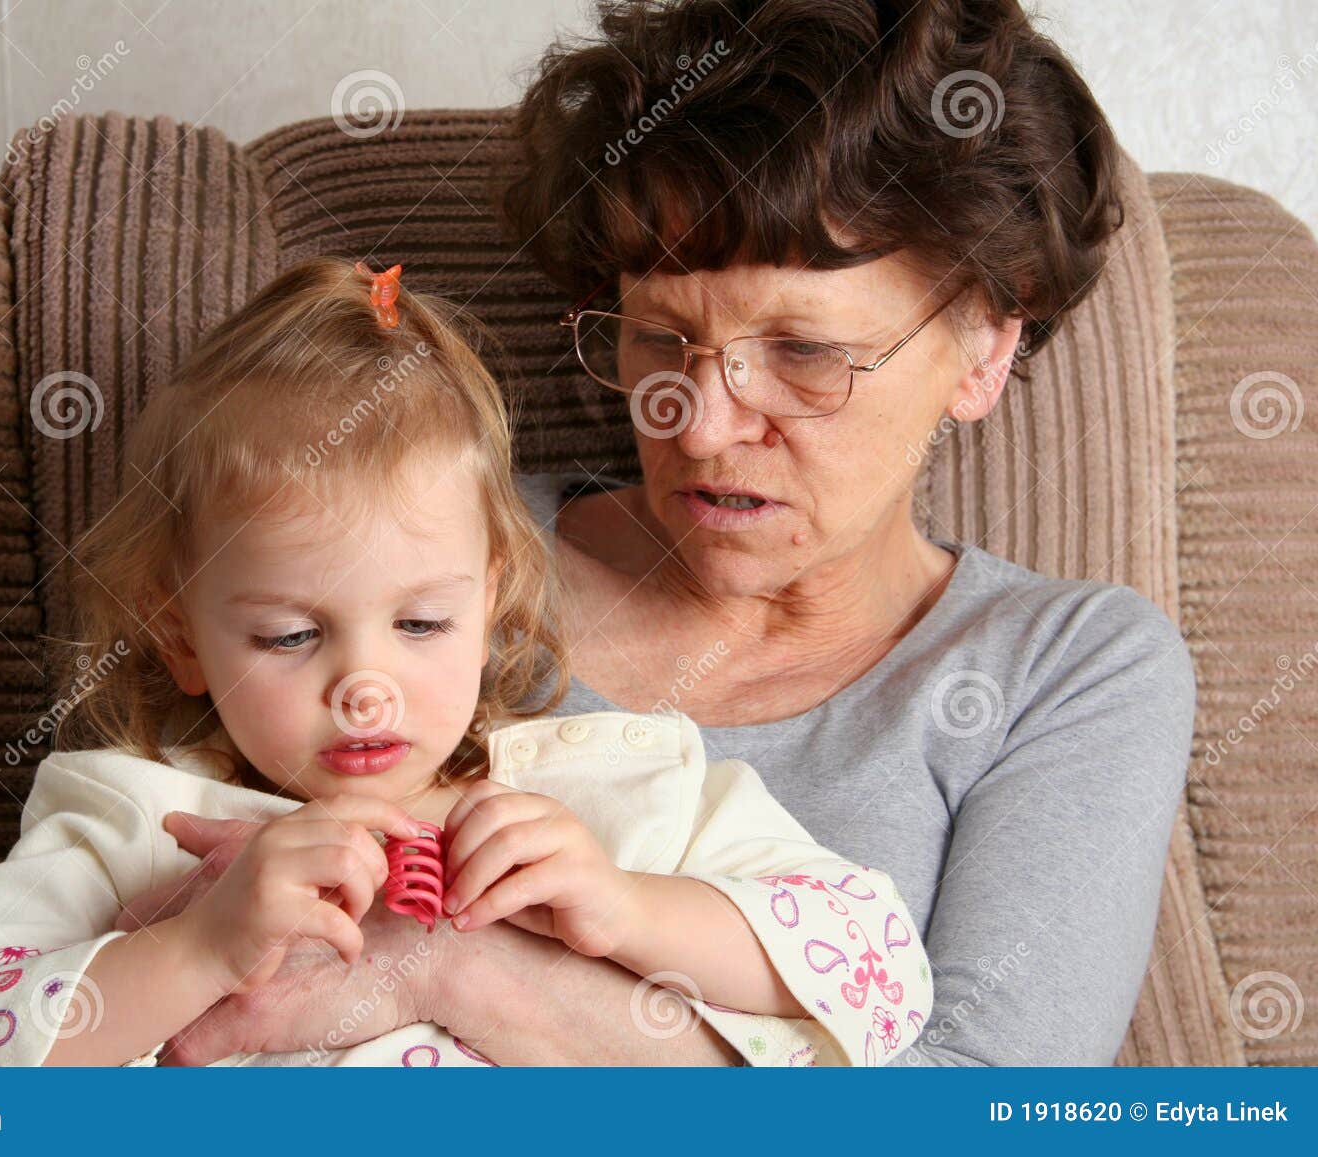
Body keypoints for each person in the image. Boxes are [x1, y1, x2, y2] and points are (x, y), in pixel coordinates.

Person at [122, 0, 1197, 1067]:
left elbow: (983, 1116)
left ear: (983, 348)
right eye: (659, 335)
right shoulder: (407, 561)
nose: (701, 420)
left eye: (805, 352)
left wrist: (453, 968)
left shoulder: (1065, 666)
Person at [0, 257, 932, 1068]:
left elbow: (885, 978)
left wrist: (630, 907)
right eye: (289, 635)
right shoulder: (128, 821)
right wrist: (194, 953)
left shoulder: (616, 787)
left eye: (419, 625)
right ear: (179, 630)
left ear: (497, 590)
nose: (365, 685)